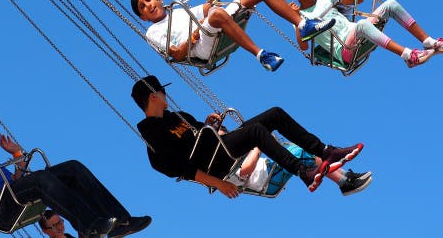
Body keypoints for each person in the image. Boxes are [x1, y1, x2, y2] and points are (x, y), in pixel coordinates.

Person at [132, 75, 365, 195]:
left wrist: (209, 126)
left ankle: (325, 151)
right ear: (154, 96)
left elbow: (197, 134)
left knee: (274, 114)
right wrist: (218, 185)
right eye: (162, 92)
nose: (165, 96)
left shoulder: (177, 116)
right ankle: (303, 173)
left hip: (219, 146)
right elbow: (179, 168)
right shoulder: (153, 135)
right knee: (255, 132)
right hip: (215, 164)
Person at [127, 0, 334, 72]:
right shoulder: (152, 31)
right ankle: (262, 54)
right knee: (217, 15)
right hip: (199, 49)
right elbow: (177, 55)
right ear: (143, 17)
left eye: (148, 0)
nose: (148, 5)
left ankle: (302, 24)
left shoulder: (179, 11)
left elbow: (210, 6)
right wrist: (195, 34)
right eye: (142, 7)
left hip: (210, 26)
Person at [0, 132, 151, 237]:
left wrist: (17, 155)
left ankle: (121, 222)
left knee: (72, 168)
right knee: (41, 180)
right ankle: (90, 225)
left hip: (13, 197)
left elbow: (18, 184)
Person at [284, 0, 442, 68]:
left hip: (358, 32)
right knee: (361, 25)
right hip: (344, 49)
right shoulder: (299, 16)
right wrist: (296, 18)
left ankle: (428, 42)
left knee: (390, 4)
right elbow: (304, 46)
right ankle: (407, 55)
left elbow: (358, 0)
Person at [230, 144, 372, 197]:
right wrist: (257, 146)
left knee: (303, 149)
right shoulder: (223, 165)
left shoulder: (230, 152)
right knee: (300, 152)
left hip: (270, 168)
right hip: (268, 180)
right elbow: (245, 171)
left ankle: (346, 176)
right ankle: (344, 182)